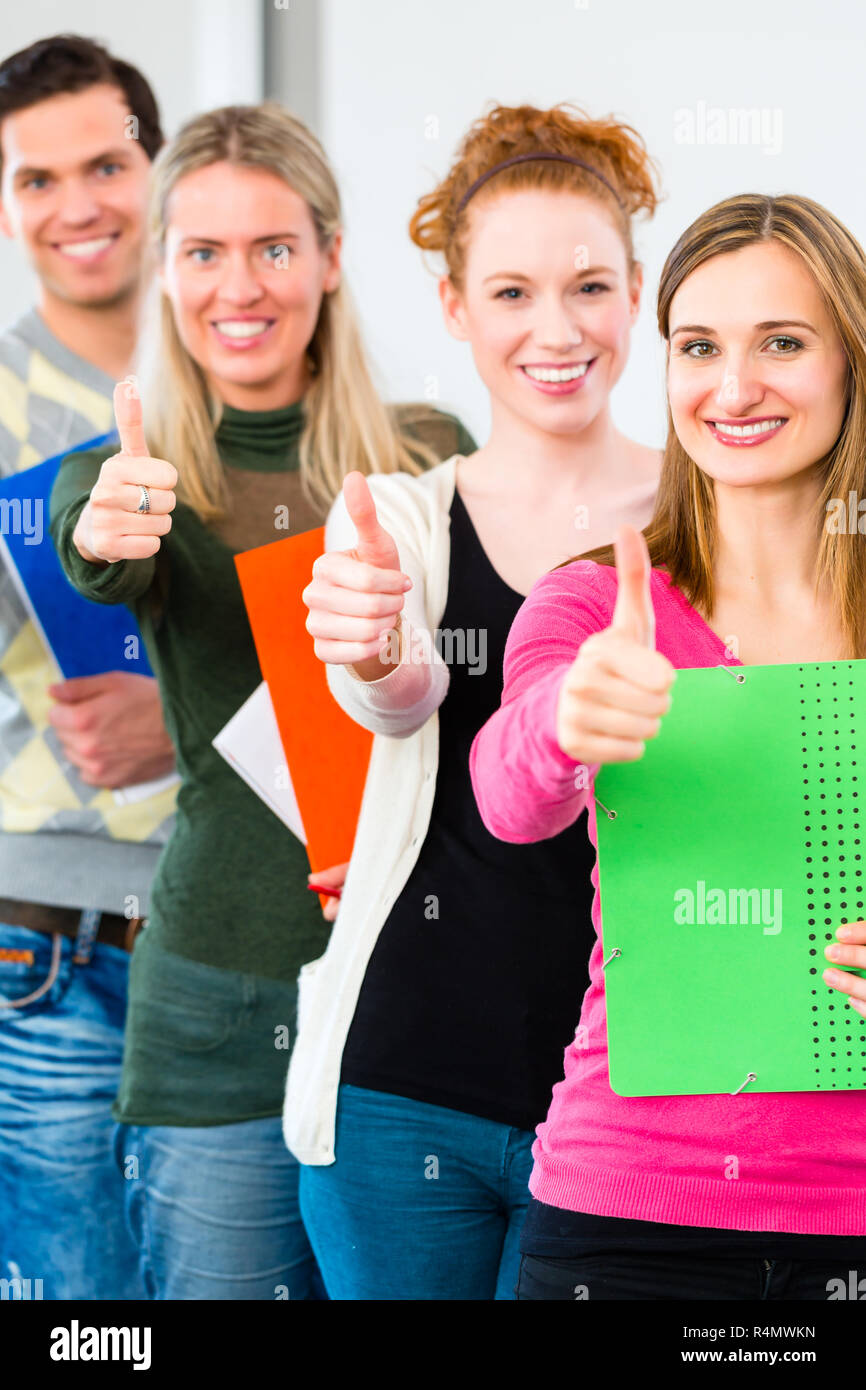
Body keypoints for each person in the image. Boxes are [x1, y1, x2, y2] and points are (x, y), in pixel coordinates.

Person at [50, 100, 474, 1300]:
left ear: (330, 260)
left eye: (274, 248)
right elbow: (104, 553)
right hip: (217, 1006)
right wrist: (104, 527)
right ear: (165, 272)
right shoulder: (131, 475)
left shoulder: (428, 453)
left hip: (405, 986)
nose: (241, 285)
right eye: (203, 252)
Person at [287, 102, 661, 1299]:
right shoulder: (395, 521)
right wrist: (371, 647)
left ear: (637, 292)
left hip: (633, 1100)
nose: (554, 330)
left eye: (587, 287)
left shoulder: (707, 515)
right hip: (403, 1090)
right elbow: (398, 692)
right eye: (508, 293)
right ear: (453, 307)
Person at [470, 191, 866, 1301]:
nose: (731, 388)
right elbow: (510, 796)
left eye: (779, 343)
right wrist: (564, 721)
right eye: (698, 347)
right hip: (628, 1214)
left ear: (849, 362)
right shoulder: (594, 608)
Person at [0, 34, 176, 1302]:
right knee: (85, 1324)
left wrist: (184, 717)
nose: (77, 207)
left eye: (106, 164)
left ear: (160, 168)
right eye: (36, 179)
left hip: (245, 939)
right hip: (33, 950)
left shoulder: (263, 359)